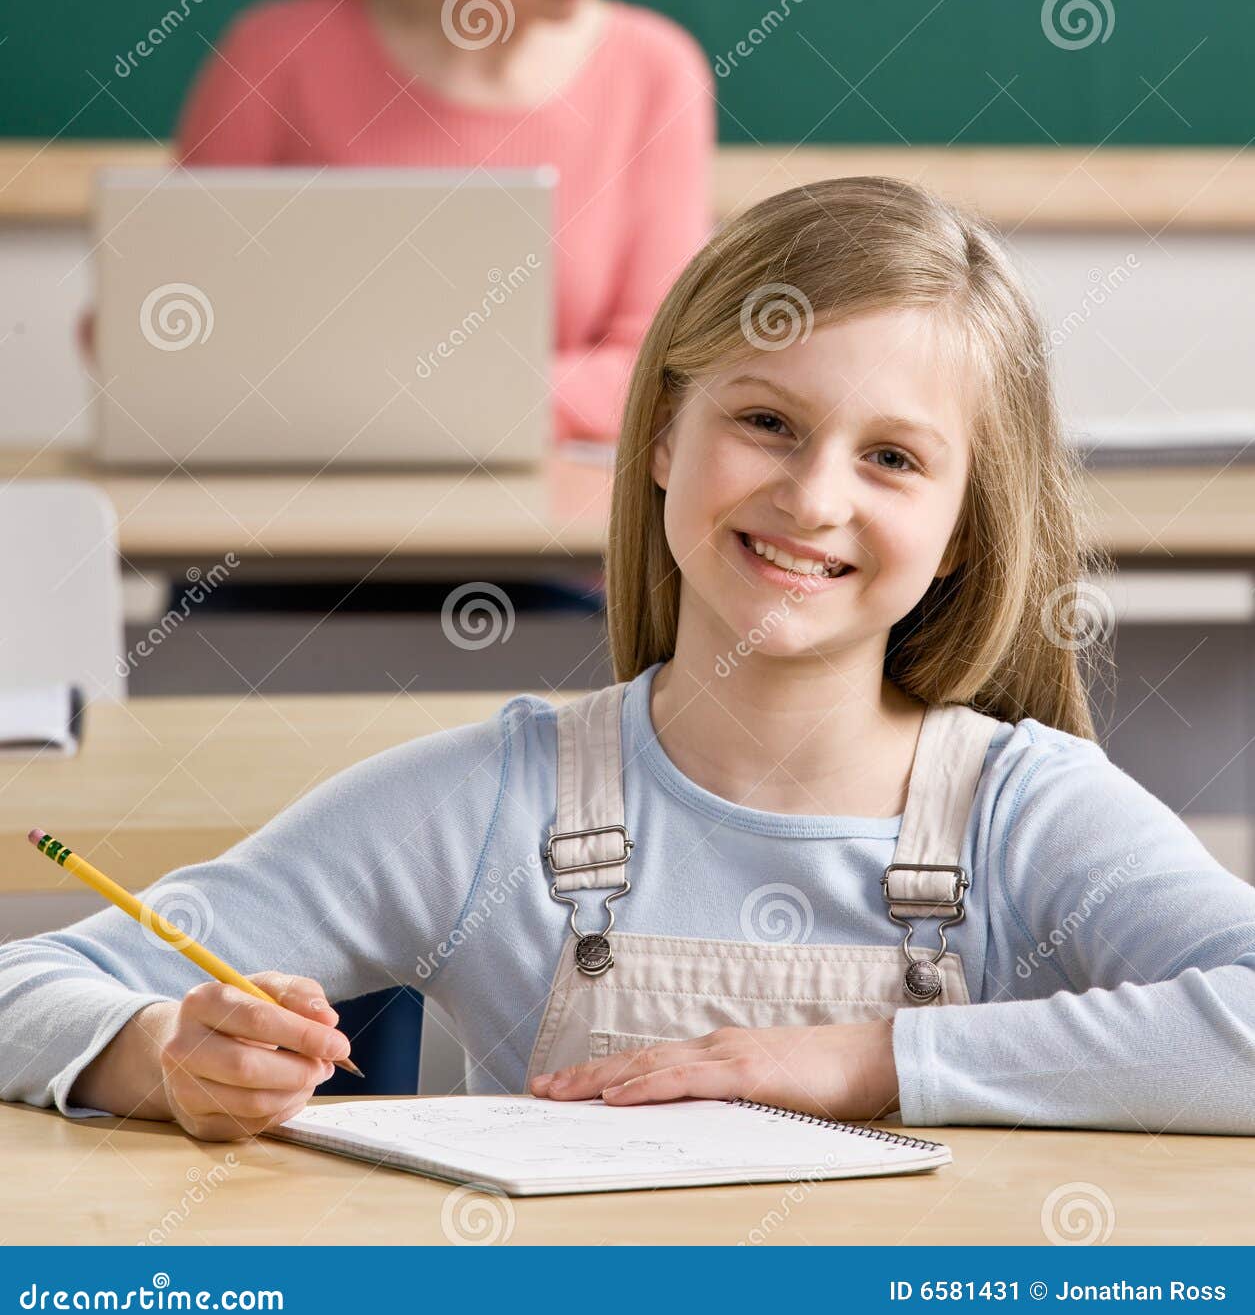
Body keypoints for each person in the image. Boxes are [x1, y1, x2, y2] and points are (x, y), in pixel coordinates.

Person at [6, 177, 1253, 1138]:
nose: (814, 497)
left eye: (892, 457)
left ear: (964, 527)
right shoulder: (492, 807)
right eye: (765, 420)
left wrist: (863, 1059)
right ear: (661, 436)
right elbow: (30, 982)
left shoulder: (1018, 813)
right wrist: (162, 1052)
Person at [171, 0, 714, 443]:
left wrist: (403, 392)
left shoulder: (655, 72)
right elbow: (166, 329)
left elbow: (660, 370)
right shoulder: (273, 56)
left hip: (545, 504)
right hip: (298, 490)